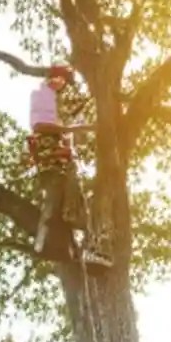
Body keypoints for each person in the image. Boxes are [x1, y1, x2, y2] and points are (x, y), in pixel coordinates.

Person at [26, 65, 108, 265]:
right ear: (55, 77)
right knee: (54, 201)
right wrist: (75, 127)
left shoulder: (57, 103)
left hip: (62, 161)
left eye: (64, 81)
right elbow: (39, 125)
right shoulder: (42, 94)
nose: (62, 84)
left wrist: (70, 139)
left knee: (75, 203)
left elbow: (63, 131)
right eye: (61, 79)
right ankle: (43, 244)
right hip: (50, 160)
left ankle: (86, 249)